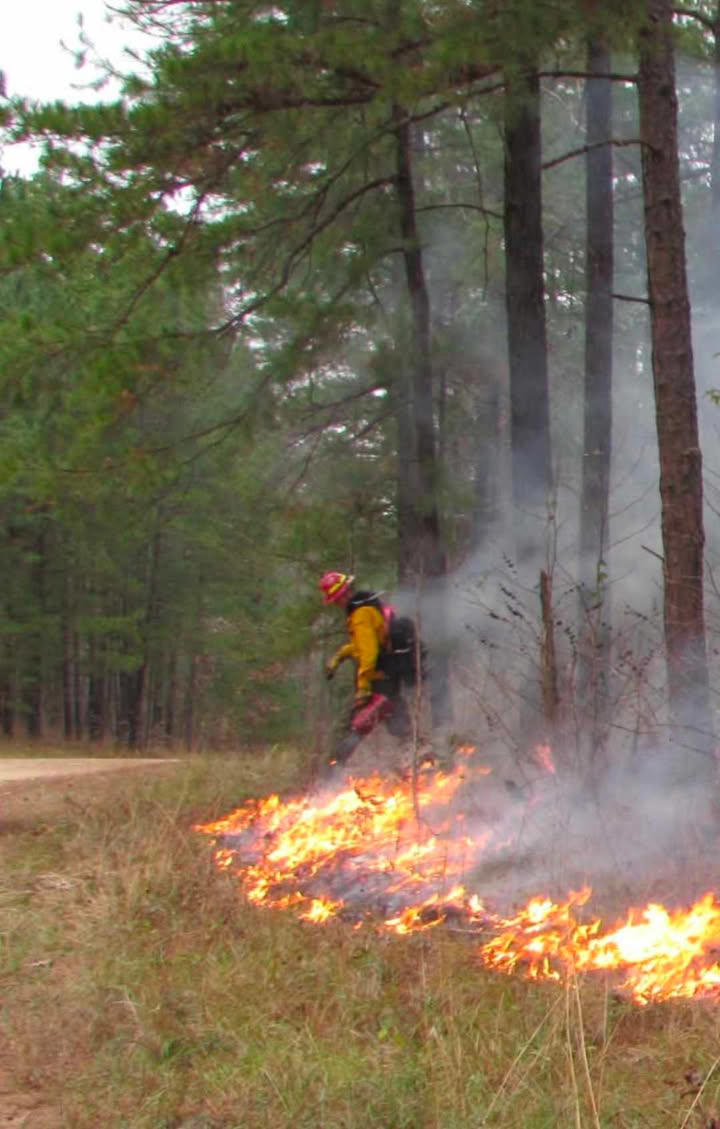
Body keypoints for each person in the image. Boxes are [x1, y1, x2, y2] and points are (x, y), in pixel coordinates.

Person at [319, 570, 422, 766]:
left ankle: (333, 771)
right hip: (389, 672)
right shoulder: (367, 607)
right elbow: (363, 644)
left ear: (342, 596)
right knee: (397, 719)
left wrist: (363, 686)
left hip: (380, 676)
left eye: (336, 599)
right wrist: (339, 657)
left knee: (358, 723)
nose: (336, 604)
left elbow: (369, 653)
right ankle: (417, 756)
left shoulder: (360, 614)